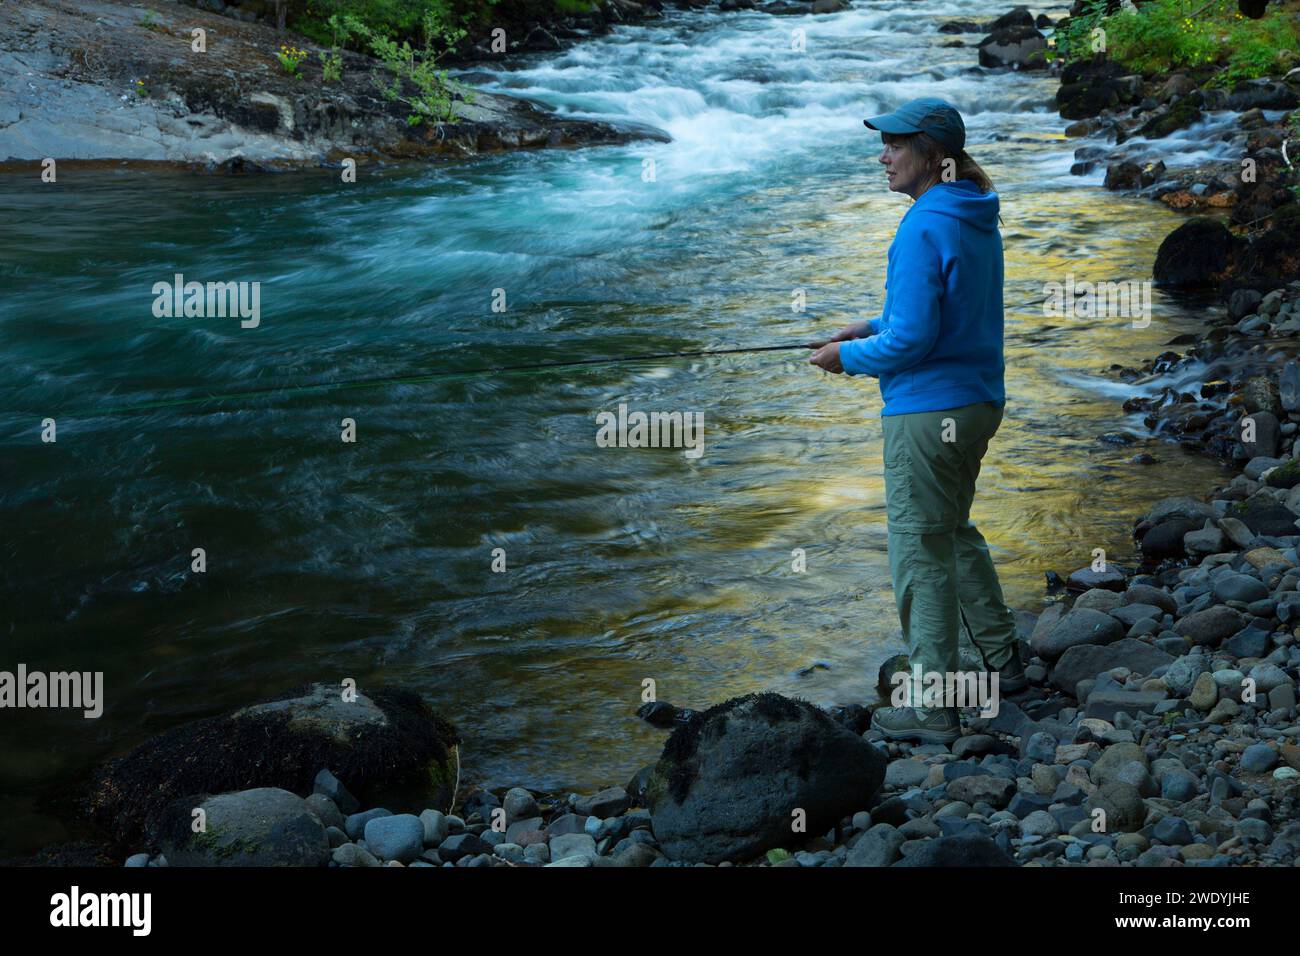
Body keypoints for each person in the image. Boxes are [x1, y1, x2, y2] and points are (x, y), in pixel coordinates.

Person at [808, 97, 1024, 745]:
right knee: (952, 532)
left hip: (927, 414)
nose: (883, 156)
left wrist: (845, 357)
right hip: (977, 401)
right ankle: (999, 656)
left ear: (932, 154)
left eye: (895, 145)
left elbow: (912, 343)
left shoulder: (922, 226)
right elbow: (941, 313)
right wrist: (871, 324)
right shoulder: (971, 210)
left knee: (920, 553)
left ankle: (930, 703)